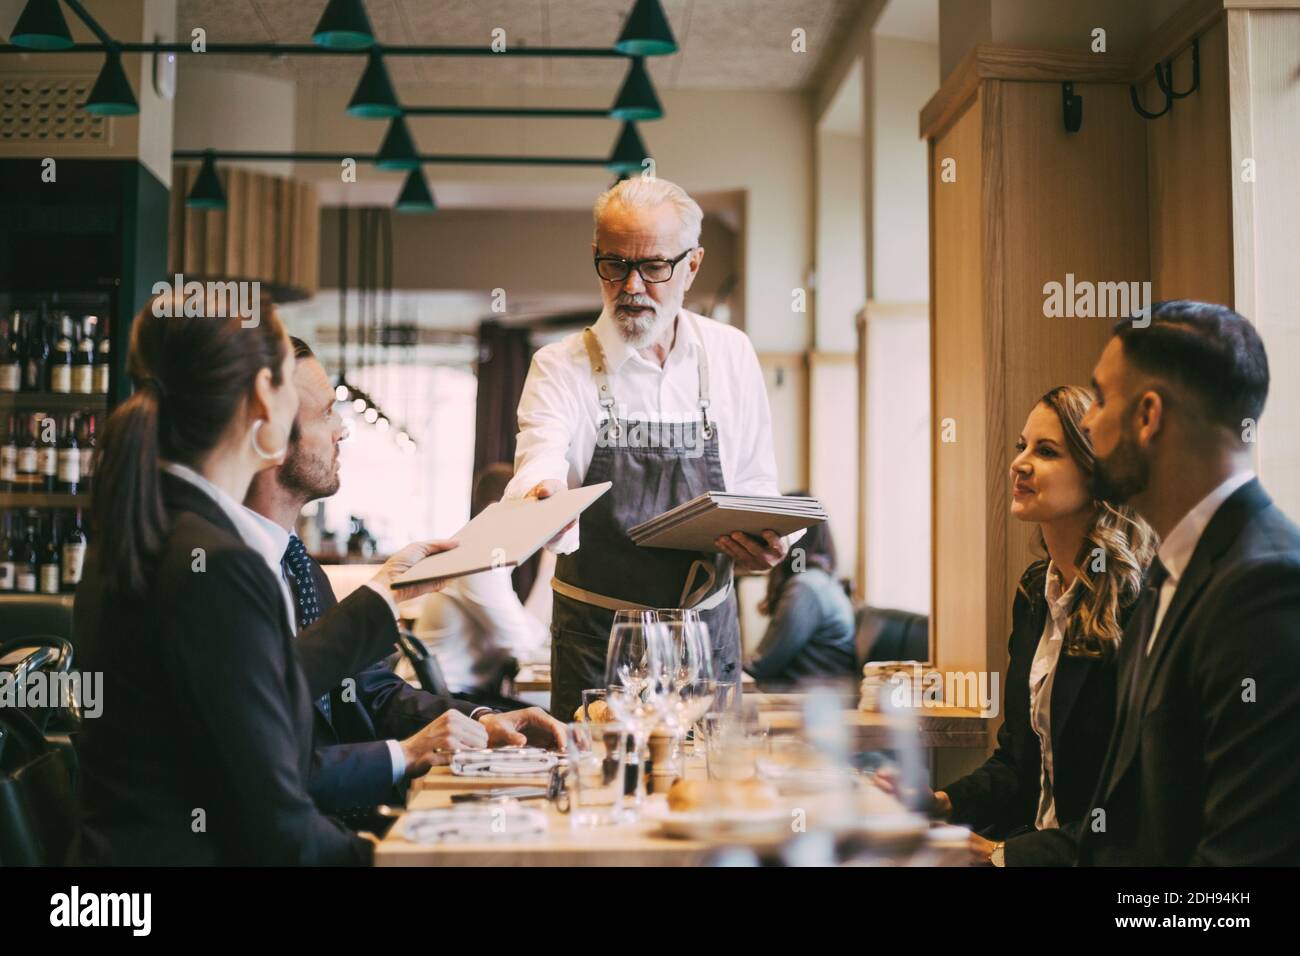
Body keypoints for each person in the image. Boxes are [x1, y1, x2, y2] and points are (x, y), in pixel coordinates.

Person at [74, 293, 453, 865]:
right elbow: (271, 825)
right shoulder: (219, 565)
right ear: (261, 401)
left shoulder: (141, 532)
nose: (339, 427)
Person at [505, 176, 793, 719]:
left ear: (693, 265)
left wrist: (766, 543)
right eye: (613, 264)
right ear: (595, 256)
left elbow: (756, 484)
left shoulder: (731, 354)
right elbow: (539, 458)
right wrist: (539, 498)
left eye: (654, 267)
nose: (631, 285)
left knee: (706, 796)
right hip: (597, 647)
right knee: (601, 793)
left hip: (706, 642)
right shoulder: (560, 365)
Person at [243, 340, 565, 820]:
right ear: (269, 436)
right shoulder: (226, 571)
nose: (343, 429)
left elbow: (370, 689)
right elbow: (253, 773)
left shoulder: (298, 564)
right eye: (328, 412)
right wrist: (407, 753)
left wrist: (482, 720)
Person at [1074, 300, 1300, 865]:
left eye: (1100, 398)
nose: (1087, 421)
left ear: (1148, 417)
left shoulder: (1264, 587)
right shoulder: (1169, 567)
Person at [925, 386, 1155, 867]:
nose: (1020, 463)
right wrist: (939, 803)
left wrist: (1002, 855)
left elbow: (1135, 812)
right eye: (1021, 447)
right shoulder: (1035, 592)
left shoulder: (1138, 606)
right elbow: (1018, 764)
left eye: (1046, 451)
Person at [413, 462, 550, 706]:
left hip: (456, 693)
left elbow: (525, 632)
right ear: (495, 509)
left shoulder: (488, 555)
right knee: (547, 719)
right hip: (439, 698)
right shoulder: (478, 560)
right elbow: (522, 644)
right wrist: (551, 563)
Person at [744, 497, 856, 685]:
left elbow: (762, 666)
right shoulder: (820, 580)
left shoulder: (805, 588)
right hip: (817, 697)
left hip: (809, 700)